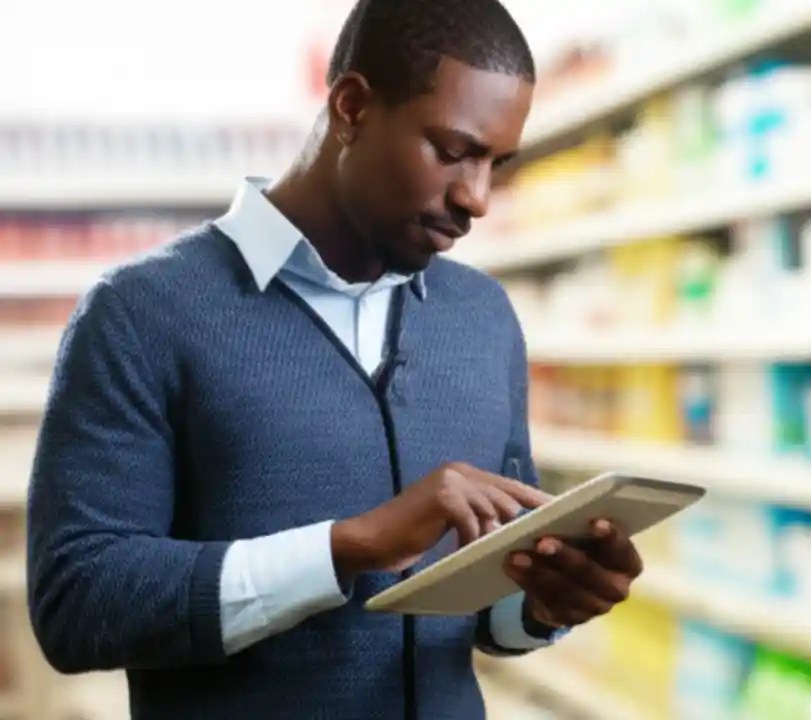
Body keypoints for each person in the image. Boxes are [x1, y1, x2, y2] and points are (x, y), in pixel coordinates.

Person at [25, 1, 645, 718]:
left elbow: (487, 614)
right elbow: (77, 603)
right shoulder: (142, 313)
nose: (476, 197)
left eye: (496, 164)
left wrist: (542, 604)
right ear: (352, 106)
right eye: (452, 150)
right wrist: (347, 547)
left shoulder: (484, 319)